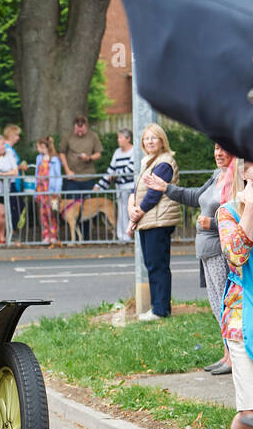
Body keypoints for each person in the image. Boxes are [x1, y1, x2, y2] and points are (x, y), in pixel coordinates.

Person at [141, 142, 235, 370]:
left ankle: (234, 358)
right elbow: (195, 197)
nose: (218, 153)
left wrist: (211, 223)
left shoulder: (237, 181)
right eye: (215, 148)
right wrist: (166, 188)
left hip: (220, 251)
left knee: (228, 306)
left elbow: (237, 216)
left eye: (224, 148)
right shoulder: (217, 176)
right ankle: (226, 355)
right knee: (216, 306)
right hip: (205, 251)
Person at [214, 158, 253, 429]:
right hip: (243, 320)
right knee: (252, 413)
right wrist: (251, 209)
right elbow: (238, 256)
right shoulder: (227, 212)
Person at [127, 123, 181, 320]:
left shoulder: (164, 163)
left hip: (159, 220)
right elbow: (137, 190)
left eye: (154, 138)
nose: (149, 141)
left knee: (157, 265)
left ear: (162, 141)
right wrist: (132, 212)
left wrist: (137, 212)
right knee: (153, 264)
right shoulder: (150, 161)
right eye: (146, 138)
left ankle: (160, 310)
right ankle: (158, 307)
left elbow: (153, 194)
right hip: (149, 220)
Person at [95, 128, 135, 240]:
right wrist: (99, 186)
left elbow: (130, 169)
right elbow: (110, 170)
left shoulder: (134, 151)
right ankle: (123, 237)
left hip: (131, 188)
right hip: (120, 188)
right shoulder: (117, 152)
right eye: (118, 138)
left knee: (130, 212)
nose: (118, 140)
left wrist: (116, 175)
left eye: (121, 138)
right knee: (122, 212)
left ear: (128, 139)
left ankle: (130, 236)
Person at [34, 137, 62, 245]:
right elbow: (37, 173)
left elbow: (58, 176)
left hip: (52, 191)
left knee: (52, 213)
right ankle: (46, 234)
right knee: (43, 213)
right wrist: (35, 190)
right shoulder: (38, 159)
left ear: (44, 147)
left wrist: (58, 191)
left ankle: (54, 234)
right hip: (41, 191)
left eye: (38, 146)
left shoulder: (54, 159)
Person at [3, 124, 27, 239]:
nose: (18, 137)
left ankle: (11, 229)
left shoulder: (10, 149)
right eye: (17, 135)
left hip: (14, 182)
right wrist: (20, 167)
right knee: (17, 205)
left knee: (17, 206)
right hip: (10, 183)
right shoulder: (7, 149)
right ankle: (10, 230)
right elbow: (8, 167)